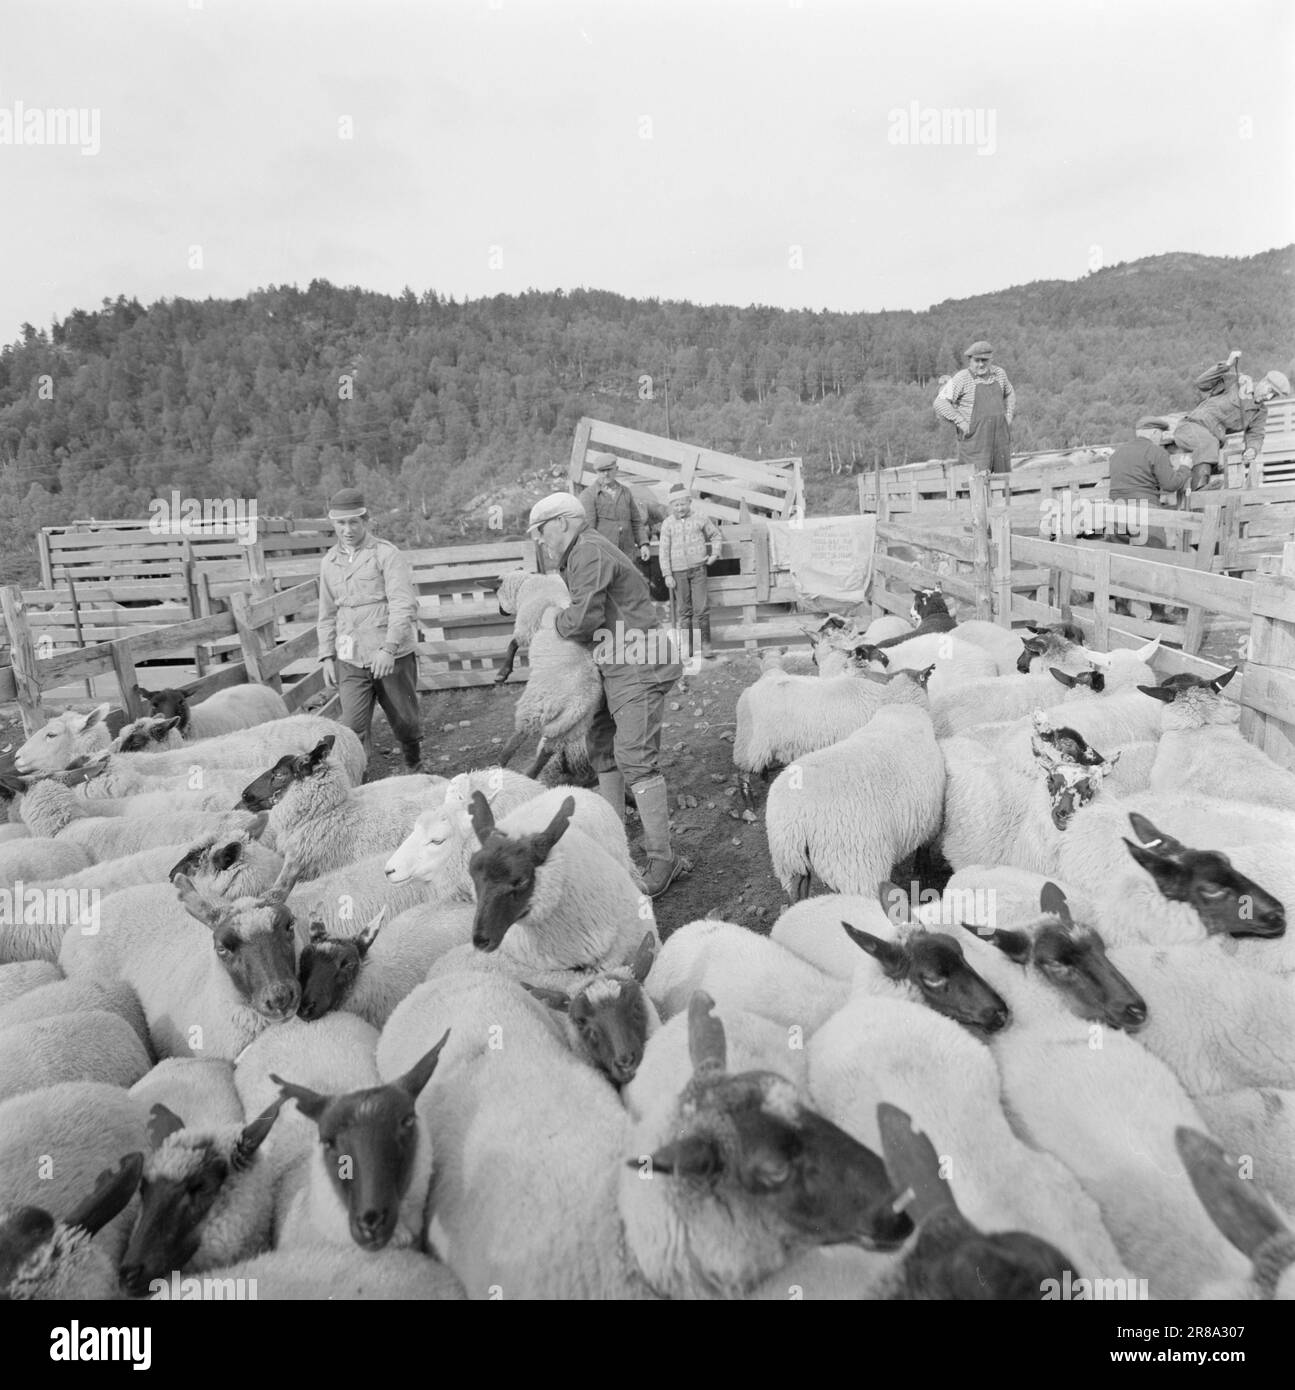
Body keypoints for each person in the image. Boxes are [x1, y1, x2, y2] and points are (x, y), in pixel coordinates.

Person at [526, 491, 687, 897]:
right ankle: (613, 845)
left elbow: (584, 618)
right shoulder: (581, 553)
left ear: (563, 522)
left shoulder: (588, 551)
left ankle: (663, 860)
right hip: (613, 661)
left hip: (637, 661)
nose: (541, 540)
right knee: (602, 747)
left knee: (635, 757)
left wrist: (551, 621)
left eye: (542, 531)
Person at [316, 487, 422, 770]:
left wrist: (389, 648)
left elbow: (403, 604)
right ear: (333, 524)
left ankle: (414, 764)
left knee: (406, 722)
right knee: (351, 726)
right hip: (350, 656)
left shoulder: (386, 554)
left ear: (366, 520)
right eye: (341, 523)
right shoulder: (329, 562)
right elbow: (326, 613)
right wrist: (327, 656)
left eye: (354, 522)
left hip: (390, 655)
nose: (347, 529)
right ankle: (358, 777)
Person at [1107, 420, 1191, 625]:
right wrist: (1185, 469)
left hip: (1116, 509)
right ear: (1154, 433)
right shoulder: (1154, 452)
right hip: (1143, 509)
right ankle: (1158, 612)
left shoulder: (1118, 453)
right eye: (1161, 435)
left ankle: (1121, 608)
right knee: (1155, 558)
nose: (1162, 439)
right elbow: (1170, 484)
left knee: (1120, 559)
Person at [1173, 363, 1290, 491]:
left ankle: (1208, 493)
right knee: (1208, 444)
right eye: (1270, 391)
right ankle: (1199, 491)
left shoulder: (1260, 412)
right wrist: (1226, 365)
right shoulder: (1236, 382)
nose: (1268, 397)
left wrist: (1252, 449)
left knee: (1216, 449)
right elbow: (1202, 383)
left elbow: (1256, 434)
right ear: (1263, 382)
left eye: (1274, 395)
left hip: (1213, 441)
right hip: (1190, 426)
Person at [658, 483, 723, 661]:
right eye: (676, 505)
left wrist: (714, 554)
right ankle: (687, 646)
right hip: (678, 572)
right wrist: (667, 574)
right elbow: (664, 551)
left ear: (690, 502)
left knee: (701, 609)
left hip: (698, 569)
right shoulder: (667, 524)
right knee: (684, 611)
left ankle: (706, 645)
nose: (680, 508)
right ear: (671, 506)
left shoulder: (700, 517)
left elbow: (715, 535)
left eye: (683, 504)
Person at [932, 341, 1016, 474]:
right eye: (977, 360)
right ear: (970, 360)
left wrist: (1009, 414)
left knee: (1003, 484)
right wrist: (960, 422)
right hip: (975, 444)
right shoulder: (961, 378)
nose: (981, 364)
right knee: (976, 484)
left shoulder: (999, 374)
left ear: (991, 359)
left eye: (985, 360)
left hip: (1000, 443)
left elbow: (1010, 392)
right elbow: (940, 403)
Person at [579, 452, 651, 563]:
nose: (606, 474)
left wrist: (643, 544)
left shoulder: (625, 492)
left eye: (609, 470)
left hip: (627, 553)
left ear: (616, 469)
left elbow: (636, 521)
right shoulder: (588, 495)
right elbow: (588, 530)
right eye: (602, 471)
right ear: (596, 472)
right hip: (604, 555)